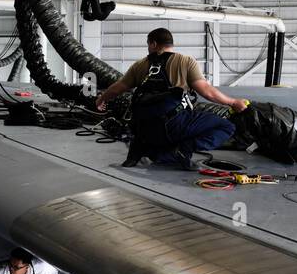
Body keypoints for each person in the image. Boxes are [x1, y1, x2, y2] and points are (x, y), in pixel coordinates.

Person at [93, 27, 248, 169]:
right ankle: (183, 150)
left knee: (147, 127)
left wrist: (102, 99)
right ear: (170, 44)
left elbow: (118, 88)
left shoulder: (139, 65)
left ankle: (138, 152)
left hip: (142, 129)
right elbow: (206, 91)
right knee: (227, 127)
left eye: (148, 44)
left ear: (153, 44)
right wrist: (233, 102)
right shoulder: (185, 61)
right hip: (173, 125)